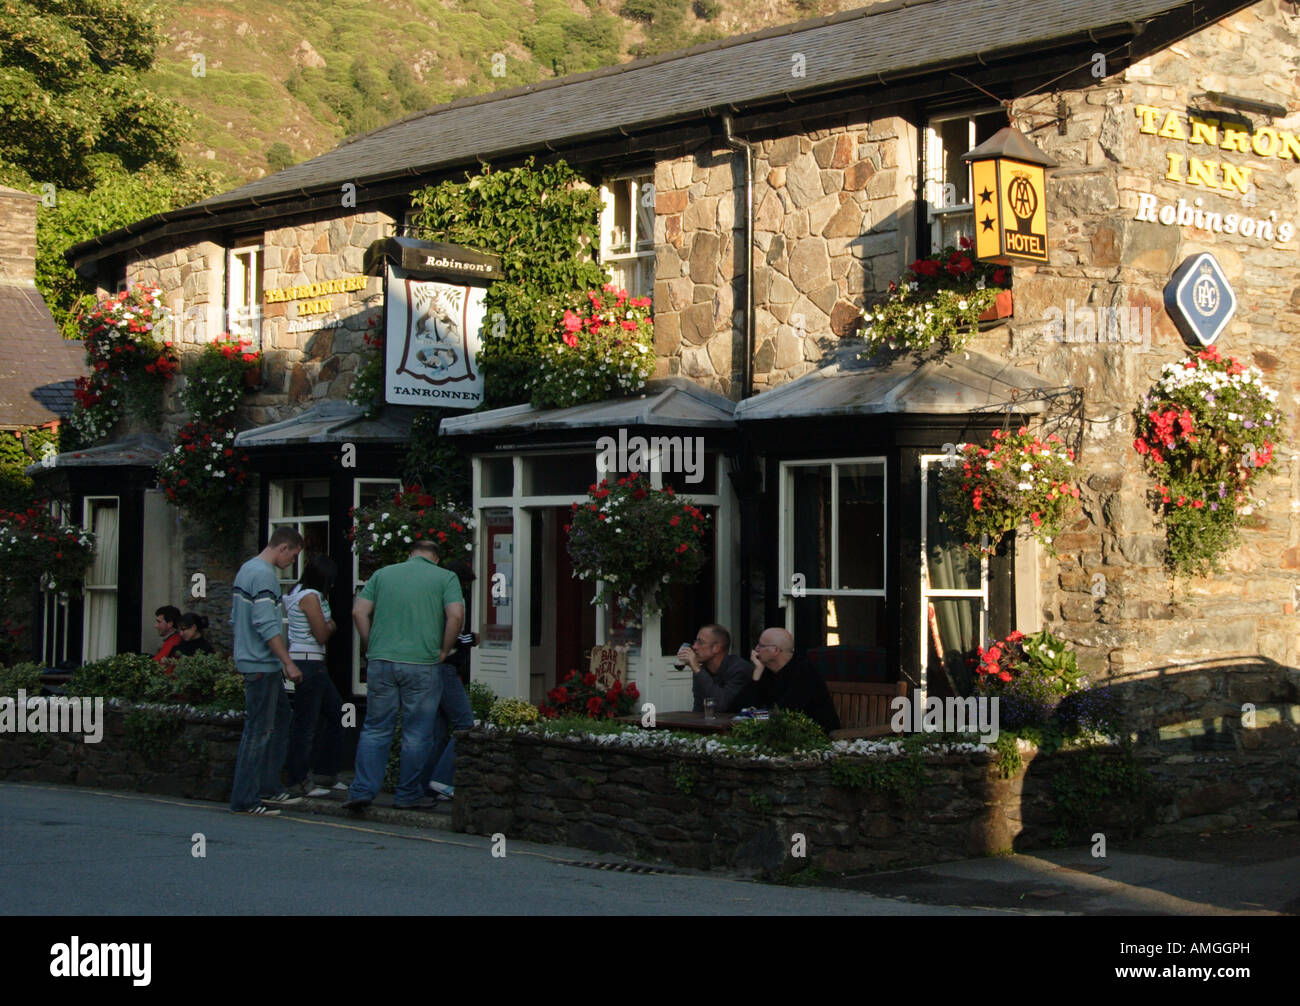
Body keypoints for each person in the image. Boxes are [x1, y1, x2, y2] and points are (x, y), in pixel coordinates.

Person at [344, 539, 464, 812]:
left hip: (381, 661)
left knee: (375, 728)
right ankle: (407, 794)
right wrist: (444, 650)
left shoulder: (383, 574)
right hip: (423, 662)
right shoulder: (445, 577)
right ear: (435, 558)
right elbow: (455, 616)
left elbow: (358, 611)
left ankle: (362, 790)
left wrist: (369, 643)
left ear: (411, 555)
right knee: (417, 734)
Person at [228, 527, 305, 816]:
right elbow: (265, 624)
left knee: (281, 720)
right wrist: (287, 660)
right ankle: (246, 799)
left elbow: (236, 619)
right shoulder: (264, 576)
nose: (292, 562)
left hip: (258, 662)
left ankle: (269, 786)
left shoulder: (247, 569)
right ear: (283, 548)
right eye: (294, 555)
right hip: (261, 664)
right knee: (258, 731)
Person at [282, 555, 345, 798]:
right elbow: (321, 633)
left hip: (307, 661)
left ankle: (325, 772)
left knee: (336, 714)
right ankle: (299, 780)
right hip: (309, 661)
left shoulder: (296, 590)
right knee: (306, 724)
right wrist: (332, 625)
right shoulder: (310, 597)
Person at [418, 558, 476, 801]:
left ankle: (424, 785)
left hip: (428, 667)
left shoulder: (430, 598)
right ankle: (441, 780)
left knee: (439, 731)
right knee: (466, 724)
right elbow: (453, 634)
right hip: (445, 668)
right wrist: (470, 638)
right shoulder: (454, 599)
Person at [747, 627, 841, 734]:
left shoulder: (804, 672)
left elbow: (784, 711)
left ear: (775, 650)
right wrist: (757, 673)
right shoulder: (767, 671)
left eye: (761, 645)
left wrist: (752, 714)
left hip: (817, 738)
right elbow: (741, 706)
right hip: (783, 735)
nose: (756, 649)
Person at [675, 624, 752, 714]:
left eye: (700, 642)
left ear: (716, 648)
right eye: (695, 642)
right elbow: (699, 709)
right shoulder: (701, 670)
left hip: (737, 725)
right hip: (710, 725)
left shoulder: (739, 669)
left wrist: (697, 669)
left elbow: (721, 705)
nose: (694, 647)